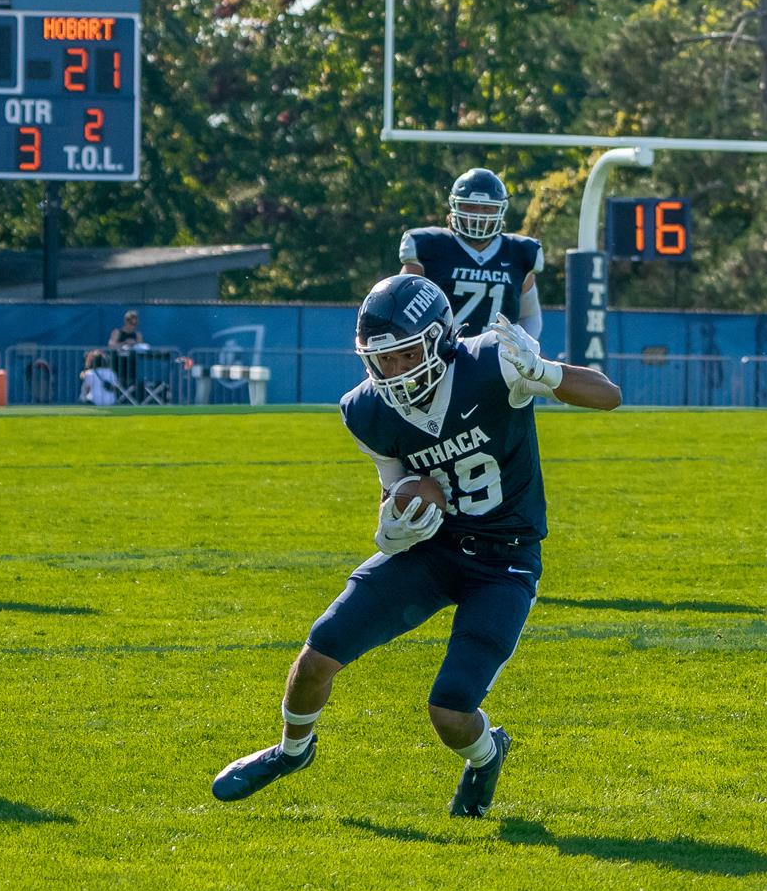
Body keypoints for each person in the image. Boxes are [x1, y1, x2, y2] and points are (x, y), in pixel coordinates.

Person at [212, 273, 621, 817]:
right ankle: (292, 752)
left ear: (438, 339)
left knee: (450, 712)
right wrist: (391, 526)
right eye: (383, 361)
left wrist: (545, 373)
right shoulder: (365, 410)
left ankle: (486, 755)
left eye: (406, 355)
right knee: (317, 657)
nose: (395, 371)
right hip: (433, 551)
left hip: (504, 560)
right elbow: (396, 488)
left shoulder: (492, 364)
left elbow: (608, 396)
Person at [400, 168, 544, 340]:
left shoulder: (519, 253)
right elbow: (402, 305)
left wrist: (524, 347)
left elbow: (529, 316)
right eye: (470, 206)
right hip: (440, 356)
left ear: (500, 210)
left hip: (496, 358)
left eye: (487, 208)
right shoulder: (430, 246)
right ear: (455, 206)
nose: (478, 215)